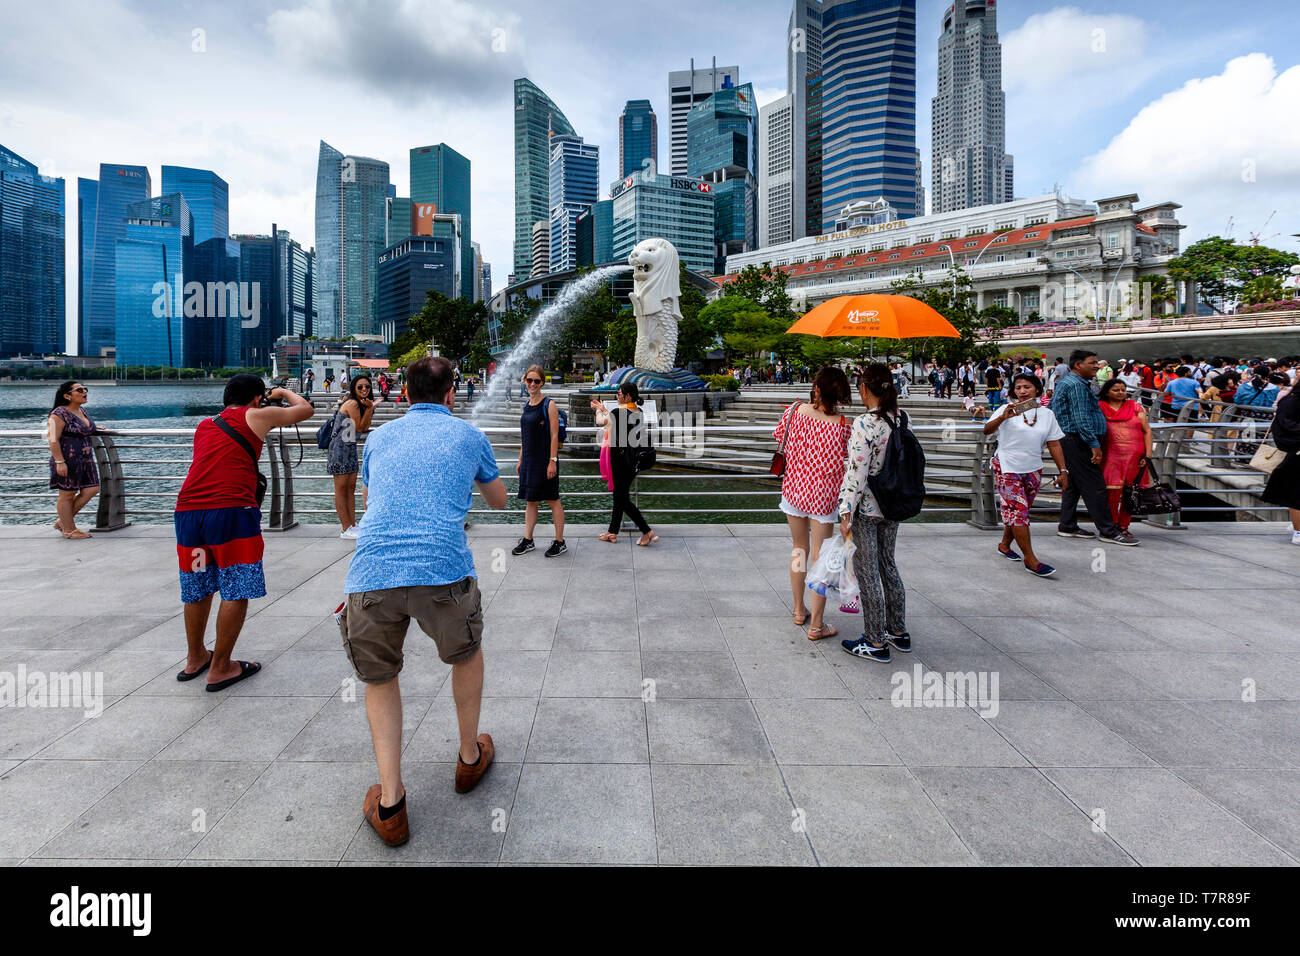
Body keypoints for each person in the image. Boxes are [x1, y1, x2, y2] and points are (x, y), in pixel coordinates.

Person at [340, 356, 508, 847]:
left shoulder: (380, 437)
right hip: (444, 573)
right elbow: (499, 501)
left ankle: (391, 803)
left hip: (373, 573)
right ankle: (469, 758)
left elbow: (374, 501)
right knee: (466, 654)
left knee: (380, 677)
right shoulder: (470, 436)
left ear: (405, 394)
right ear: (452, 395)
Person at [174, 375, 314, 690]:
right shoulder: (257, 414)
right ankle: (221, 667)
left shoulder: (206, 424)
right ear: (256, 399)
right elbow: (305, 410)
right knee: (236, 587)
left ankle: (196, 657)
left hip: (188, 515)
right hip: (231, 514)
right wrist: (281, 392)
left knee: (198, 587)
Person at [772, 366, 853, 639]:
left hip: (794, 489)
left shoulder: (792, 411)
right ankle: (817, 625)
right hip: (824, 496)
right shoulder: (844, 424)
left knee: (799, 549)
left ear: (816, 388)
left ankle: (798, 609)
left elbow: (779, 438)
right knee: (821, 556)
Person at [837, 363, 909, 662]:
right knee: (887, 564)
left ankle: (875, 640)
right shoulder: (901, 417)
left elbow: (857, 471)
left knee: (867, 572)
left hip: (868, 507)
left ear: (864, 388)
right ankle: (897, 631)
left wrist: (845, 511)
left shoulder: (865, 423)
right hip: (893, 502)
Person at [984, 373, 1069, 577]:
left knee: (1018, 512)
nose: (1022, 391)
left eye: (1027, 387)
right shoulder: (1006, 409)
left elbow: (1054, 443)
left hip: (1032, 468)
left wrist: (1063, 470)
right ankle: (1031, 560)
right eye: (1018, 388)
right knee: (1019, 512)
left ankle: (1005, 545)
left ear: (1037, 390)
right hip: (1007, 466)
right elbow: (986, 430)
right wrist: (1003, 417)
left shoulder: (1047, 415)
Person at [1050, 349, 1137, 545]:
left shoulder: (1072, 383)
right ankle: (1108, 530)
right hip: (1076, 440)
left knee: (1073, 485)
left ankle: (1067, 525)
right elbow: (1081, 418)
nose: (1097, 366)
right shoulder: (1076, 385)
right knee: (1095, 486)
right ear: (1078, 365)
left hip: (1070, 439)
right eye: (1093, 363)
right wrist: (1093, 444)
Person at [512, 365, 567, 558]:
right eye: (529, 380)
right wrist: (520, 459)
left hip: (545, 460)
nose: (533, 384)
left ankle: (560, 542)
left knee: (553, 500)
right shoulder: (527, 404)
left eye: (536, 381)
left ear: (542, 382)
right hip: (529, 460)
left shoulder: (549, 404)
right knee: (531, 500)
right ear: (525, 382)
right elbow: (525, 436)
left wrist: (552, 461)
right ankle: (528, 540)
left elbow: (553, 436)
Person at [593, 382, 657, 546]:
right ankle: (612, 532)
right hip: (633, 461)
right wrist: (604, 409)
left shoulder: (618, 412)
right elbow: (615, 419)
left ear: (627, 396)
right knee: (619, 497)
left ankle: (646, 531)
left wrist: (598, 410)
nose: (617, 395)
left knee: (622, 499)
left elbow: (601, 422)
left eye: (619, 393)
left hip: (620, 461)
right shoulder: (638, 411)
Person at [1097, 377, 1154, 537]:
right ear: (1107, 392)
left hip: (1136, 457)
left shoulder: (1135, 406)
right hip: (1110, 456)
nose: (1121, 392)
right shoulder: (1099, 407)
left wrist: (1148, 455)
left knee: (1131, 493)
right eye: (1116, 390)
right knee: (1112, 494)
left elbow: (1147, 431)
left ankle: (1124, 525)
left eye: (1123, 389)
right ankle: (1111, 525)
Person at [46, 381, 102, 539]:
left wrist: (95, 428)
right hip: (67, 458)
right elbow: (52, 438)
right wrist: (59, 462)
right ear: (67, 396)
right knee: (67, 494)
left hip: (85, 458)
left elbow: (82, 429)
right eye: (79, 390)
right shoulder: (59, 413)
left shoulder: (81, 411)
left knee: (92, 489)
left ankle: (62, 521)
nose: (84, 391)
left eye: (85, 389)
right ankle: (69, 530)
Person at [329, 374, 376, 538]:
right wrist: (370, 408)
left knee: (350, 489)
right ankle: (345, 527)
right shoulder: (352, 403)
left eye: (367, 387)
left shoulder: (362, 404)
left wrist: (369, 408)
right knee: (341, 490)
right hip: (340, 448)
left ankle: (352, 525)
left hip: (349, 447)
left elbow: (365, 424)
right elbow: (360, 427)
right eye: (360, 387)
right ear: (353, 389)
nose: (364, 389)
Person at [1260, 388, 1300, 545]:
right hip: (1297, 453)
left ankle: (1297, 527)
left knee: (1294, 492)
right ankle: (1298, 531)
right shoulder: (1292, 402)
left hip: (1294, 452)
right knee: (1297, 493)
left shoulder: (1289, 400)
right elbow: (1286, 425)